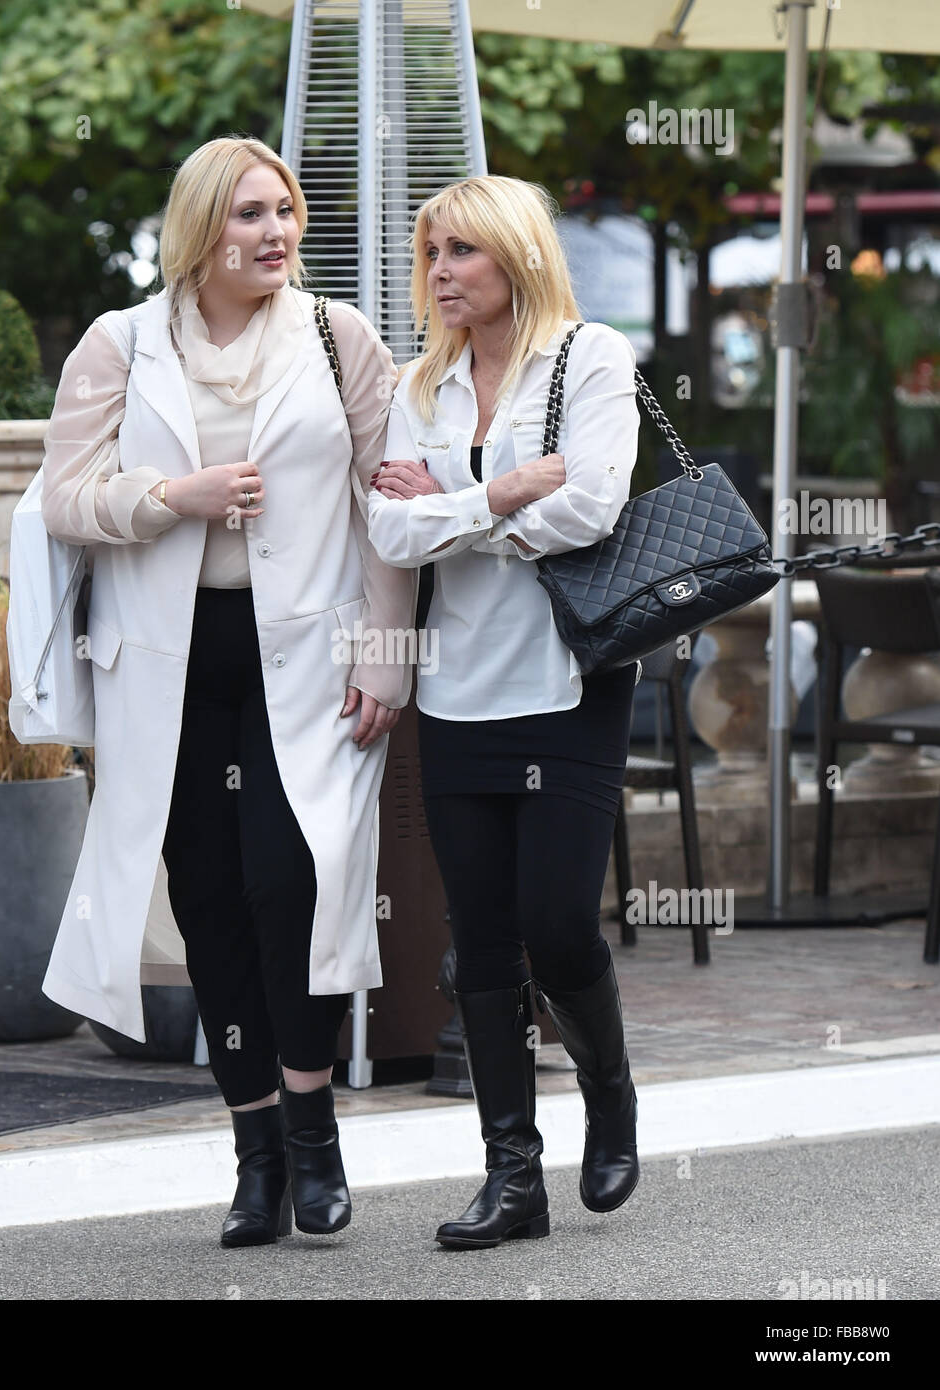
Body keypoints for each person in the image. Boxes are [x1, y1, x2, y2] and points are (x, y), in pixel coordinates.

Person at [39, 136, 417, 1246]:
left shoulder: (338, 335)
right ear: (203, 229)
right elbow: (64, 498)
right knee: (204, 896)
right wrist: (170, 495)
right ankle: (255, 1150)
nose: (276, 233)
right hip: (168, 659)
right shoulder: (120, 344)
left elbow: (385, 501)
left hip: (306, 651)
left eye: (286, 212)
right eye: (252, 214)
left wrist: (388, 644)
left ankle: (313, 1128)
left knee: (291, 878)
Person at [367, 175, 643, 1249]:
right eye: (431, 253)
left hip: (567, 679)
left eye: (462, 253)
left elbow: (594, 501)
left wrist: (447, 512)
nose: (439, 274)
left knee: (559, 922)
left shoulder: (592, 356)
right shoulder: (419, 386)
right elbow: (387, 539)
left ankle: (610, 1092)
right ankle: (512, 1175)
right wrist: (500, 496)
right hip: (459, 685)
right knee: (479, 938)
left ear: (517, 257)